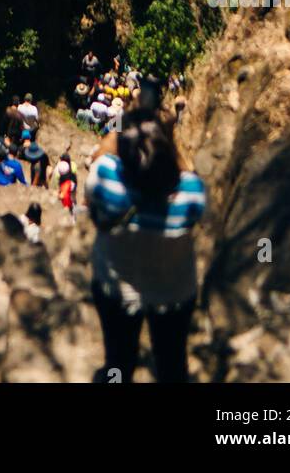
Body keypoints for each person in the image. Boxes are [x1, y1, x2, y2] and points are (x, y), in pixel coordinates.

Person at [86, 116, 207, 384]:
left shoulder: (106, 179)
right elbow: (185, 171)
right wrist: (165, 140)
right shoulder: (191, 193)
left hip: (116, 291)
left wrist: (120, 135)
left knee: (118, 360)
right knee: (173, 364)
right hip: (172, 294)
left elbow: (101, 158)